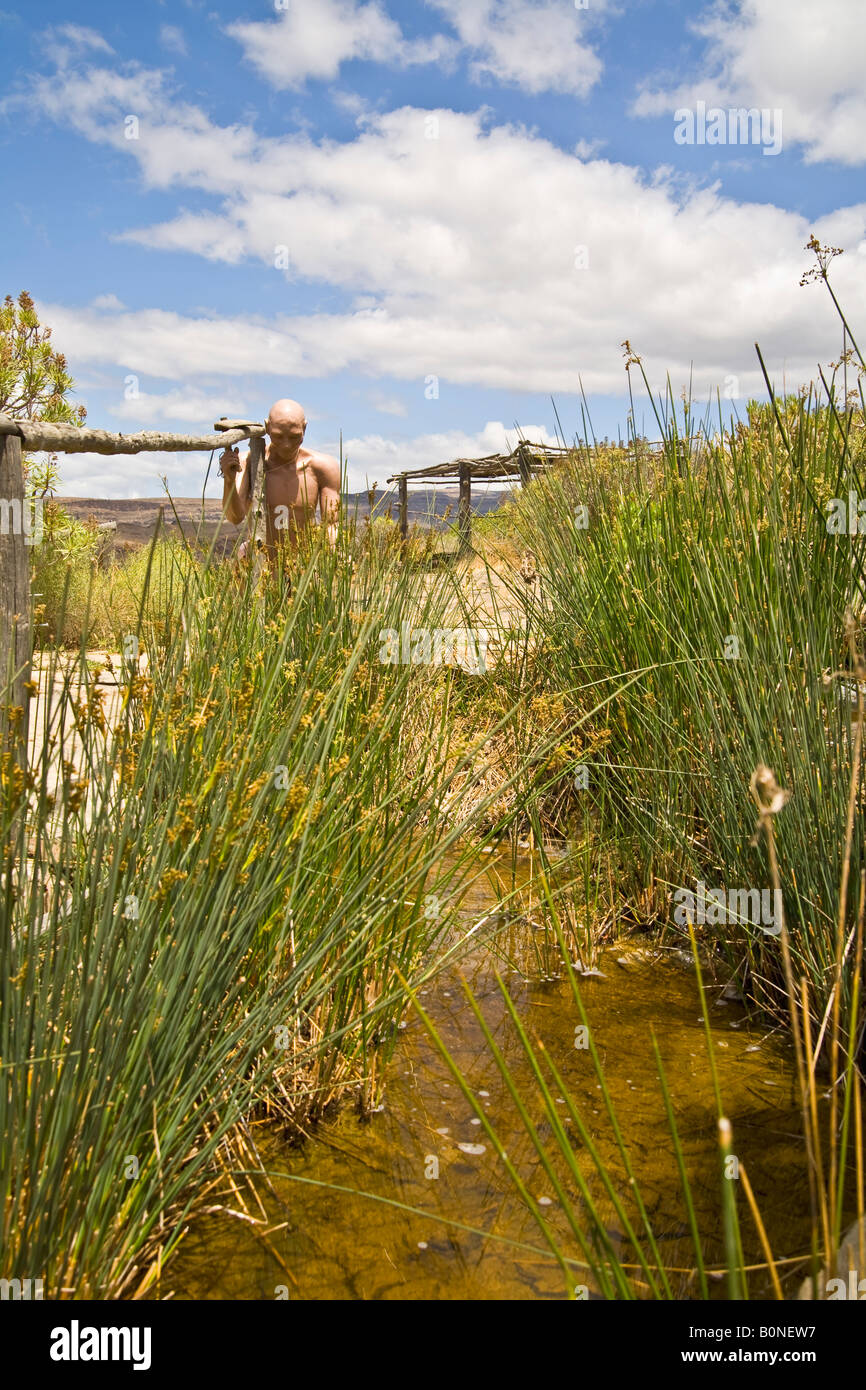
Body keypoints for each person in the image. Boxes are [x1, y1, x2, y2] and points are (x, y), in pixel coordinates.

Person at [219, 398, 340, 557]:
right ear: (267, 427)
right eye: (278, 436)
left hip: (302, 567)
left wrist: (332, 562)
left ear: (304, 428)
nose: (286, 444)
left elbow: (331, 524)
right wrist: (229, 480)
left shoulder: (323, 467)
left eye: (294, 436)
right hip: (258, 566)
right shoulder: (247, 463)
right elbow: (234, 517)